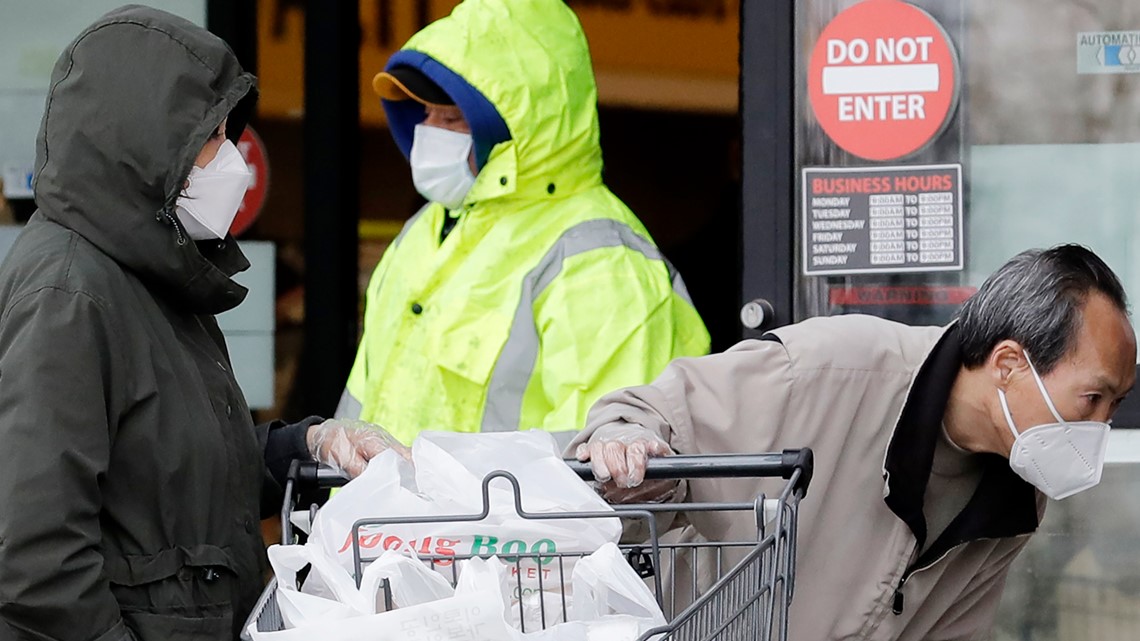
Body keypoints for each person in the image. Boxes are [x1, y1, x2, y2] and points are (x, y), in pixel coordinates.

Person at [0, 7, 404, 640]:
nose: (233, 160)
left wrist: (306, 446)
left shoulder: (150, 272)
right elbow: (33, 557)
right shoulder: (71, 293)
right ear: (142, 141)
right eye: (210, 137)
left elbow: (175, 472)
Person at [572, 244, 1136, 641]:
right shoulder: (832, 367)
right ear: (1010, 363)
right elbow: (647, 412)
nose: (1101, 426)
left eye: (1117, 406)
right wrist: (628, 443)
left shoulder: (1016, 493)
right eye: (1093, 398)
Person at [337, 0, 710, 447]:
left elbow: (598, 473)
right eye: (424, 114)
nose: (428, 130)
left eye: (451, 118)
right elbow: (364, 414)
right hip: (382, 518)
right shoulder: (423, 234)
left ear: (510, 131)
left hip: (495, 520)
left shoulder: (600, 259)